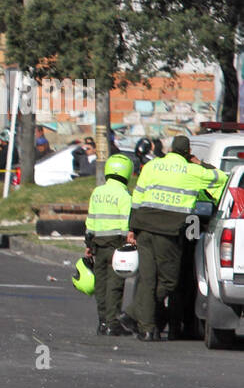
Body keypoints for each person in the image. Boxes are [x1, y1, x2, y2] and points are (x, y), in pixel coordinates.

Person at [125, 135, 227, 341]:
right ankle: (135, 314)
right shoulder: (192, 170)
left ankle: (146, 328)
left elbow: (137, 198)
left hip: (144, 227)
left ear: (171, 149)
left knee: (147, 279)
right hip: (168, 232)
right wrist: (200, 163)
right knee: (169, 281)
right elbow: (222, 178)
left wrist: (132, 228)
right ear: (188, 152)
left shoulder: (152, 166)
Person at [84, 154, 136, 337]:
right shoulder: (124, 195)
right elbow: (126, 225)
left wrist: (88, 244)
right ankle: (113, 323)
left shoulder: (97, 192)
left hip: (98, 245)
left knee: (101, 285)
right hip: (116, 247)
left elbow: (90, 222)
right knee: (115, 285)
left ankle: (102, 322)